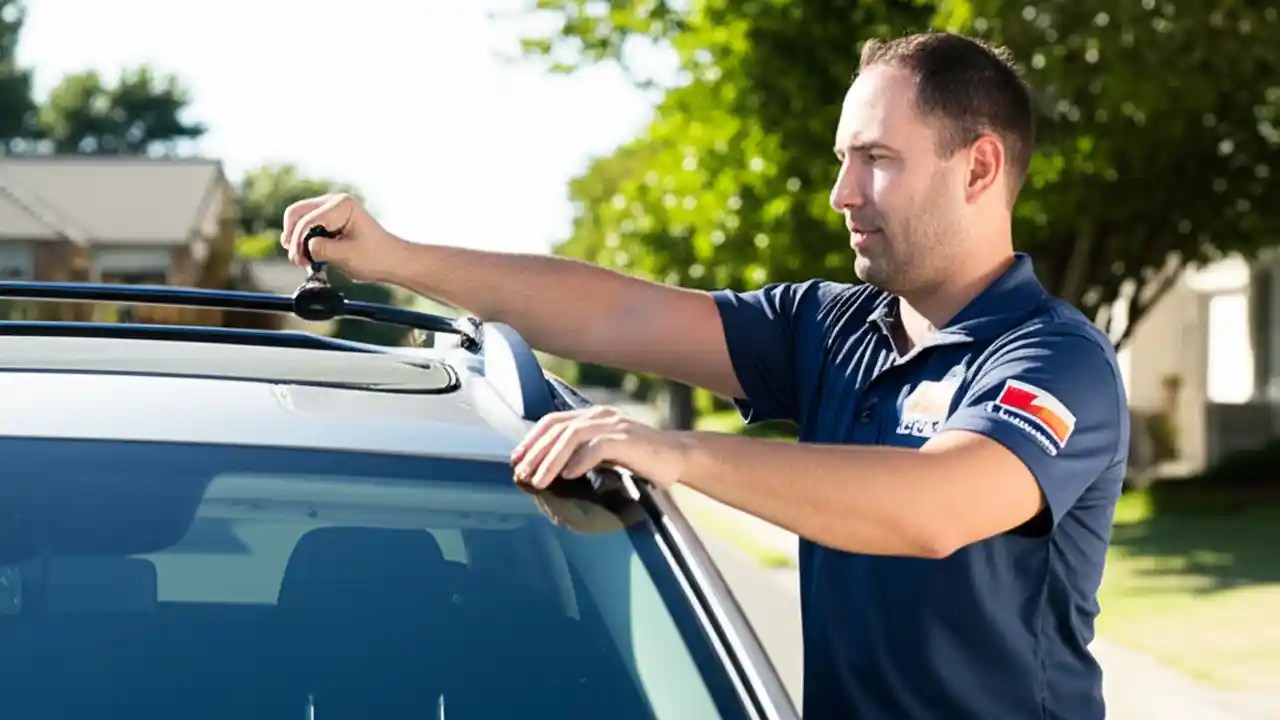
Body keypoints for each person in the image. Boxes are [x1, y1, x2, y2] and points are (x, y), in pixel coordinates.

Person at [282, 30, 1128, 720]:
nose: (841, 192)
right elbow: (616, 314)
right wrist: (393, 256)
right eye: (843, 157)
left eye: (876, 157)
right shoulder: (831, 328)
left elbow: (936, 507)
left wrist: (677, 455)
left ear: (978, 168)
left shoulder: (1054, 359)